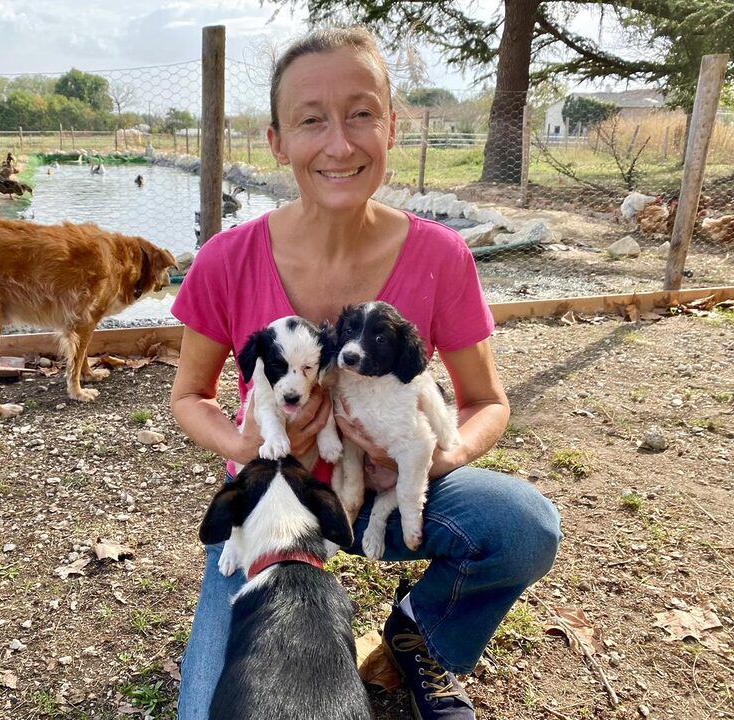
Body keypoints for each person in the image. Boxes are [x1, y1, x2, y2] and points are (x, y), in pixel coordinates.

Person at [169, 26, 562, 720]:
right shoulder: (226, 260)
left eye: (361, 114)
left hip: (389, 488)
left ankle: (418, 639)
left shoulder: (442, 257)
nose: (339, 144)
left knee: (523, 524)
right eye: (311, 120)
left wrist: (442, 456)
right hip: (273, 511)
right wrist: (246, 448)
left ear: (391, 125)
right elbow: (188, 398)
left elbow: (487, 402)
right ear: (276, 141)